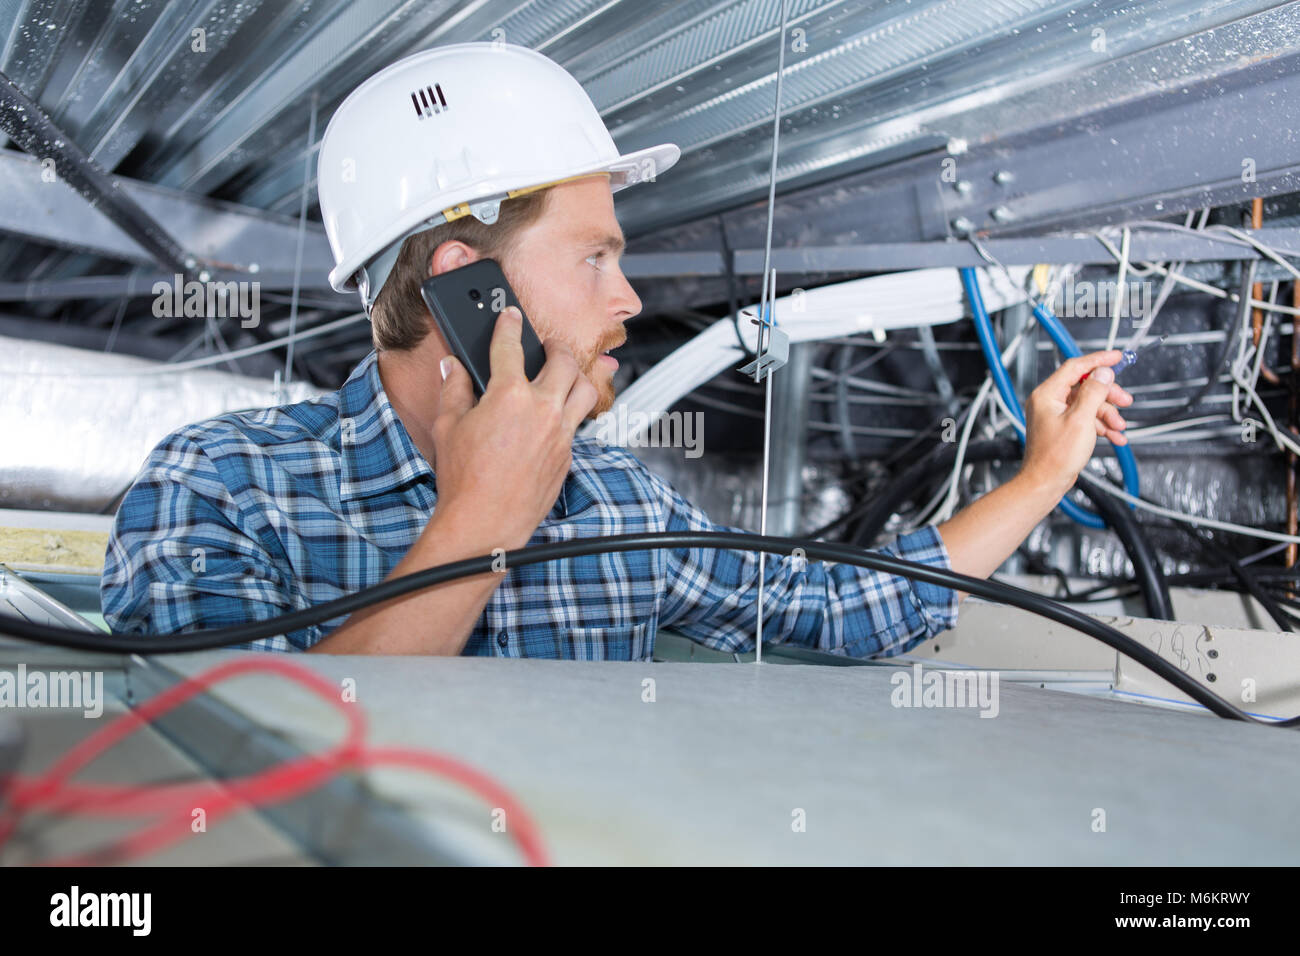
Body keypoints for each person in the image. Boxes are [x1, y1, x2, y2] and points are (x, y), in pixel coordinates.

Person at [101, 42, 1133, 657]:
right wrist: (482, 519)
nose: (630, 297)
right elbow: (229, 776)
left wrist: (1046, 469)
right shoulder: (224, 485)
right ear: (473, 283)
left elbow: (844, 606)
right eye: (593, 256)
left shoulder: (615, 501)